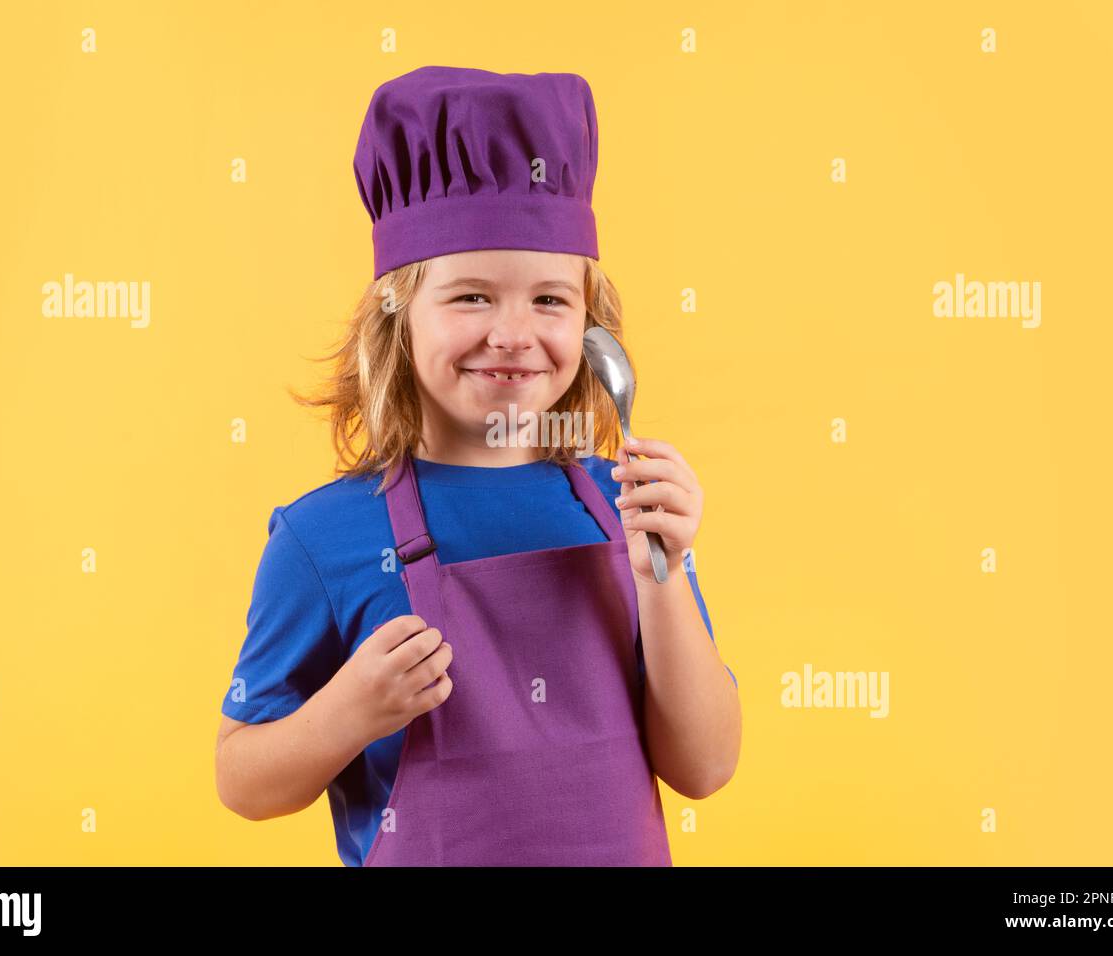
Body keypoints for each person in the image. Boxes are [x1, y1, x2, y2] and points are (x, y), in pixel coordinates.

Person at [214, 65, 740, 866]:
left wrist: (662, 573)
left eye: (550, 300)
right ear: (395, 314)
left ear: (590, 323)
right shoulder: (323, 536)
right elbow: (241, 777)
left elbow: (704, 766)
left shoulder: (623, 504)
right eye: (470, 297)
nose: (514, 333)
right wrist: (347, 713)